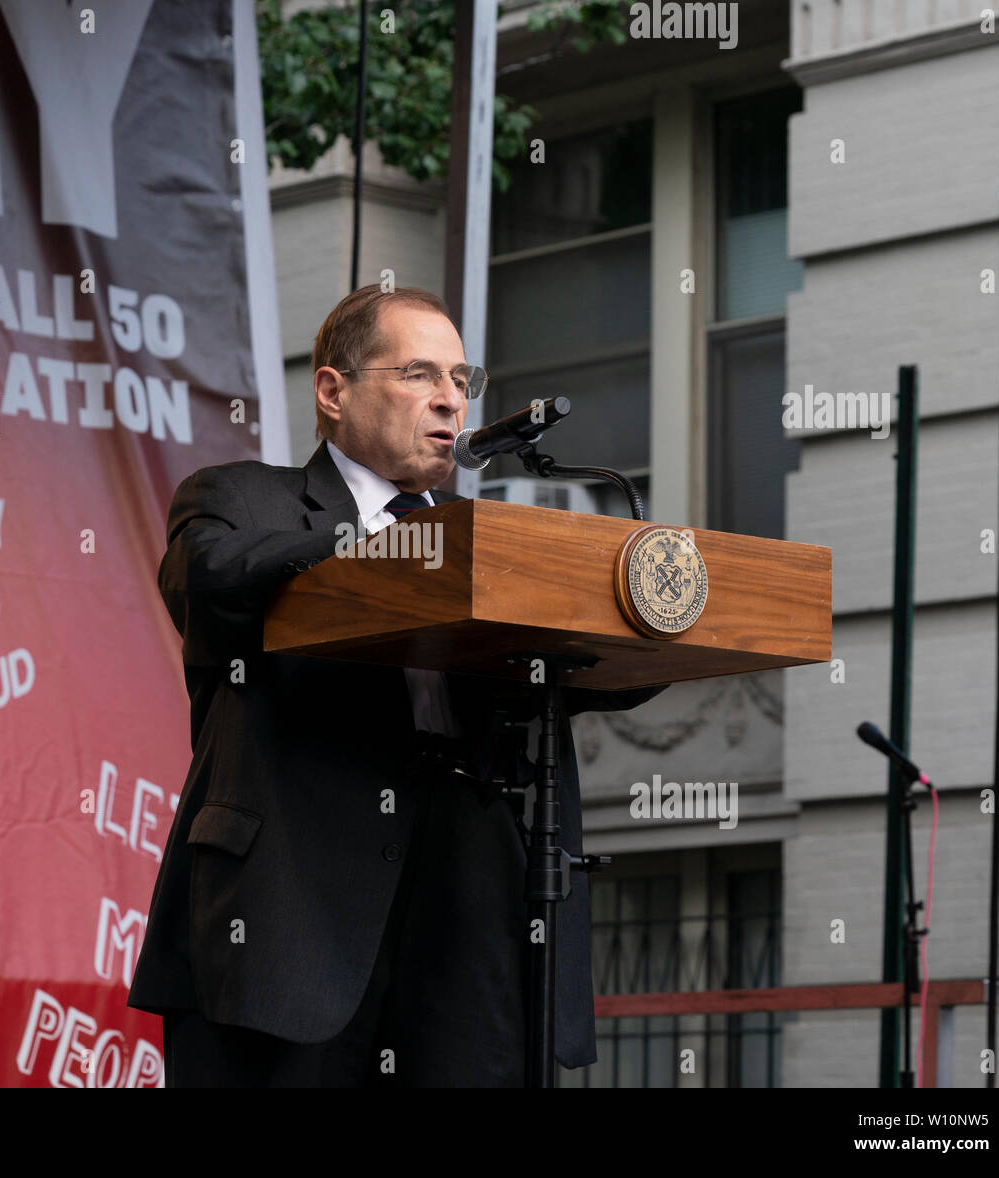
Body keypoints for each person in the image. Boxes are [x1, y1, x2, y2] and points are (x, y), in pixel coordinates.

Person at [126, 284, 665, 1086]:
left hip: (475, 891)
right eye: (420, 374)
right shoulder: (243, 497)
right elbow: (205, 582)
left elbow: (595, 680)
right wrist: (374, 546)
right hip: (291, 907)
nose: (451, 400)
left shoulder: (495, 551)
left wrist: (637, 619)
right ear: (333, 391)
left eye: (461, 379)